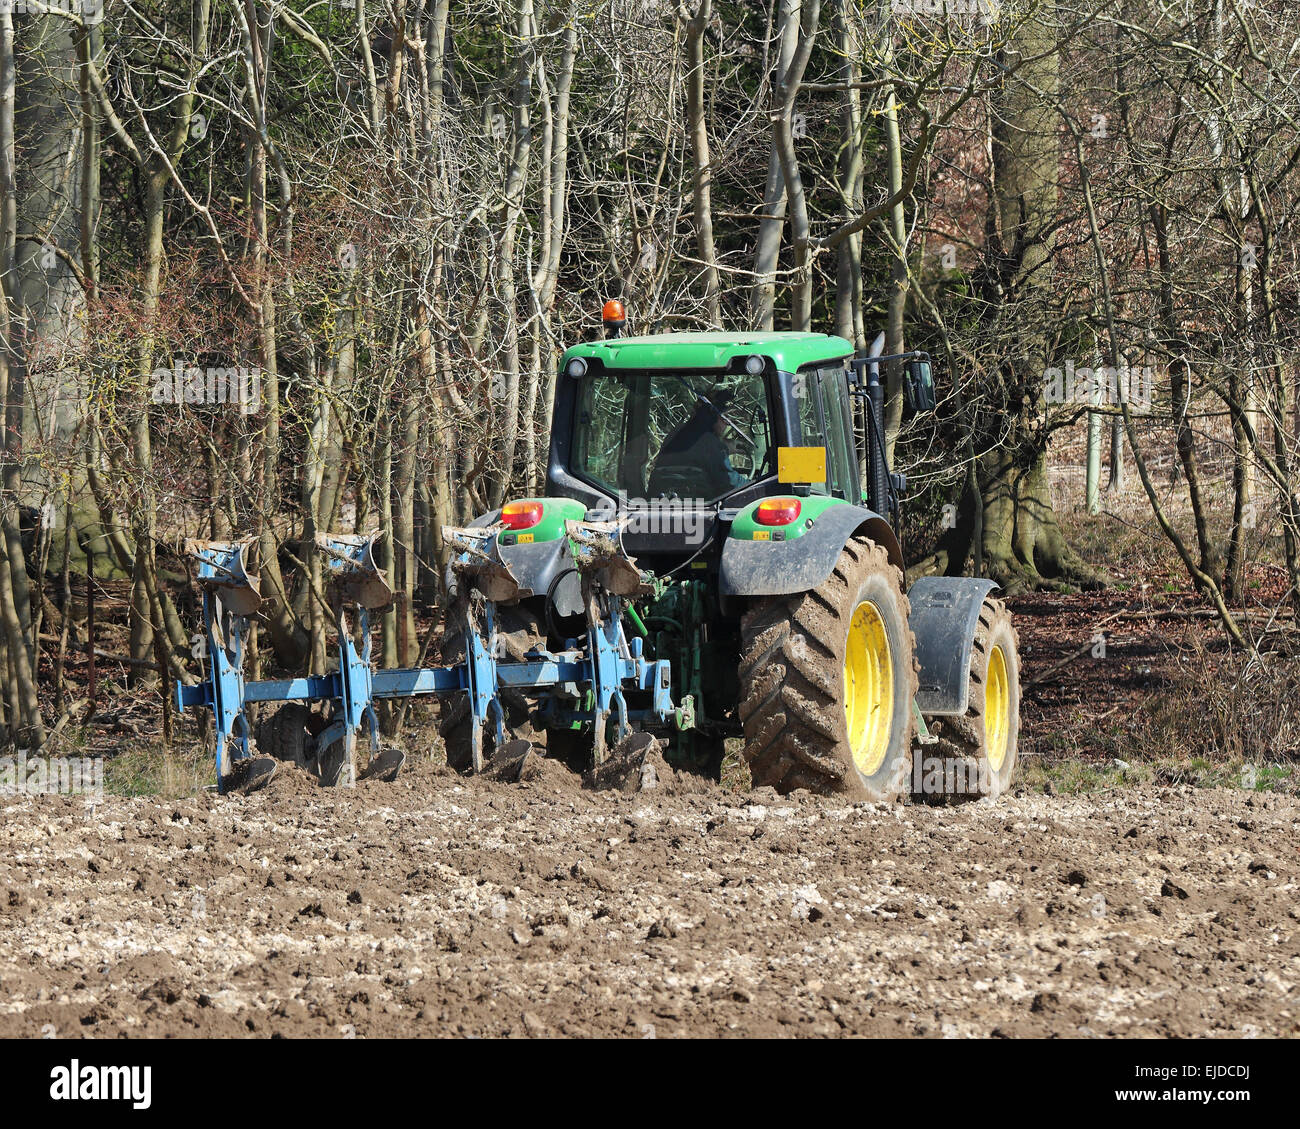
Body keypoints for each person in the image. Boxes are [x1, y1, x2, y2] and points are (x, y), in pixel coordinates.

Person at [648, 392, 746, 499]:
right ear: (712, 416)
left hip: (662, 504)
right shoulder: (712, 445)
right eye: (725, 418)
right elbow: (730, 484)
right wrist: (754, 484)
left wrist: (723, 448)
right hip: (701, 508)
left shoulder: (674, 435)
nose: (727, 424)